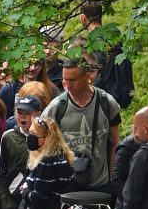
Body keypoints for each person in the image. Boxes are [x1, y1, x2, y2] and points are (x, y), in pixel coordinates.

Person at [41, 58, 121, 192]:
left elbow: (114, 143)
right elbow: (41, 143)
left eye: (72, 80)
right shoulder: (57, 107)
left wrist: (112, 177)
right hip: (66, 185)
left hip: (100, 185)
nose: (67, 85)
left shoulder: (106, 102)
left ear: (87, 77)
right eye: (64, 80)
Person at [0, 92, 43, 209]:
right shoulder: (8, 137)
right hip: (13, 202)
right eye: (19, 112)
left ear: (38, 114)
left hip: (36, 203)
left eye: (27, 113)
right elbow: (0, 173)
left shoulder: (46, 137)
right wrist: (5, 202)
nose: (23, 117)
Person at [75, 0, 135, 107]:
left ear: (83, 17)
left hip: (100, 100)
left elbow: (96, 72)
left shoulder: (93, 43)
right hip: (116, 97)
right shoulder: (114, 38)